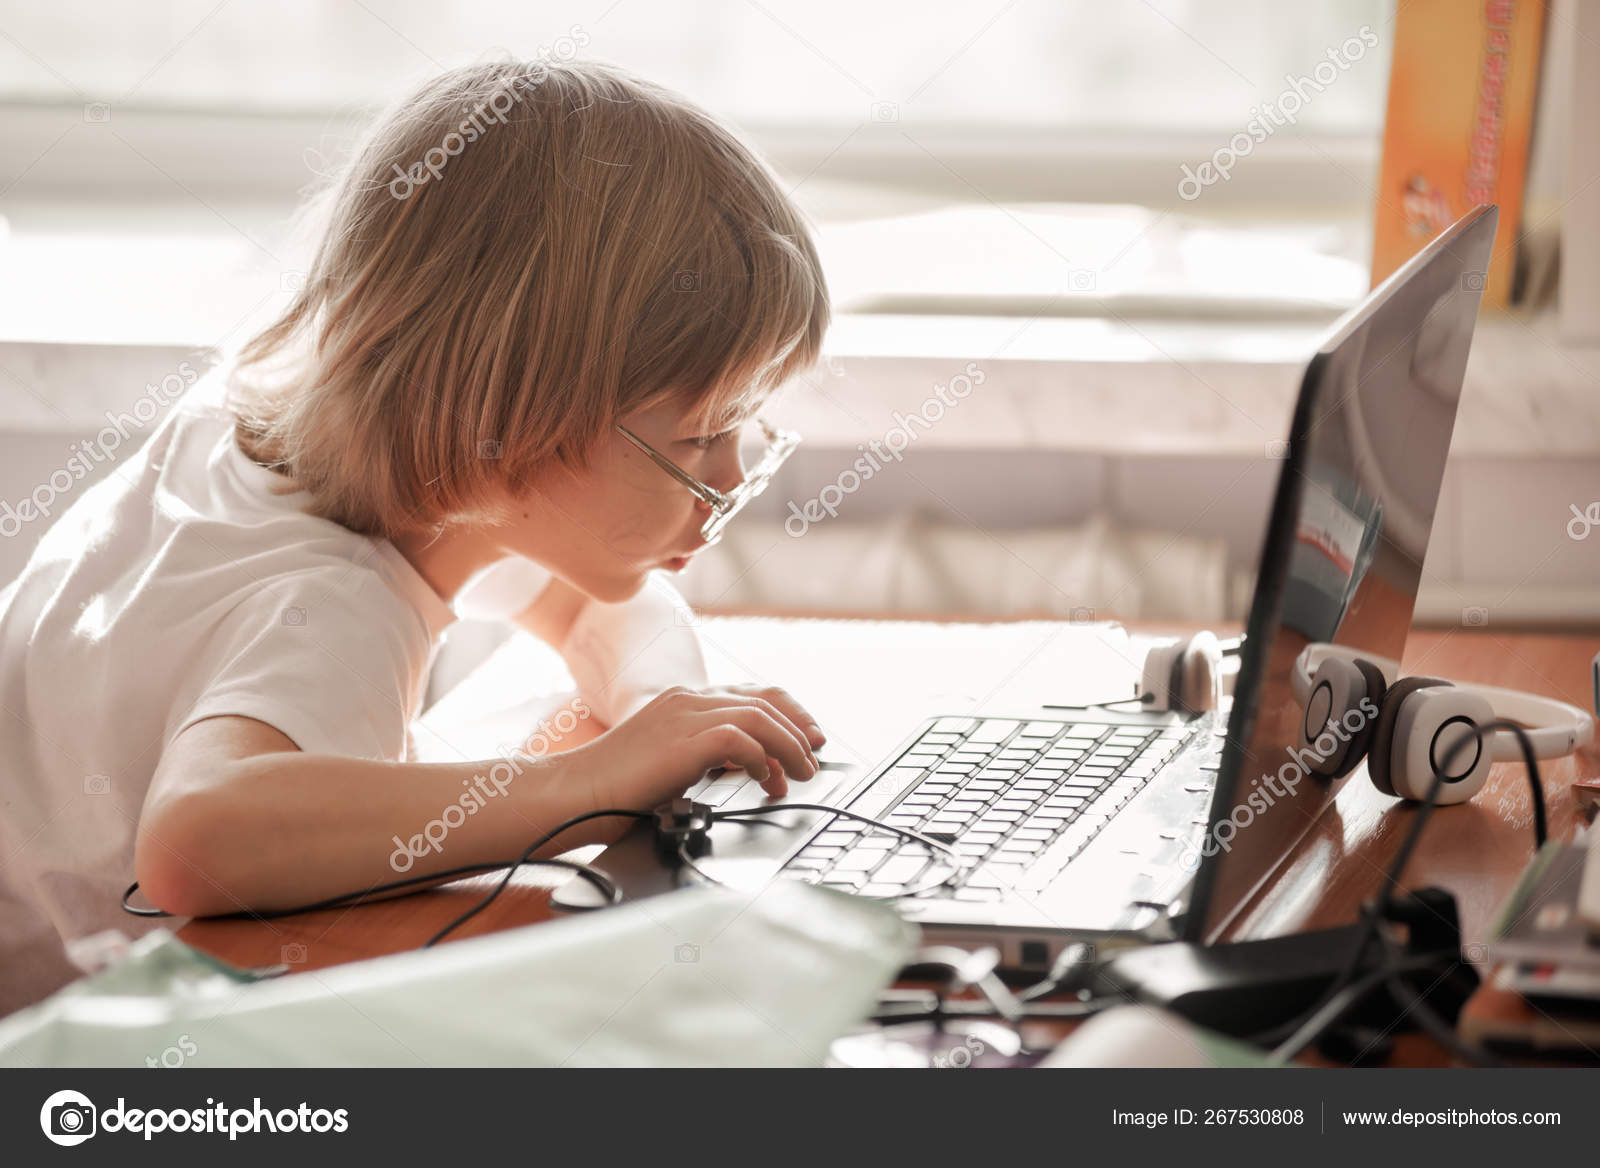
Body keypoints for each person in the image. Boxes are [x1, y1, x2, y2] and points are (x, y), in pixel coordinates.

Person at [0, 58, 830, 1015]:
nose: (727, 482)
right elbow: (196, 843)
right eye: (700, 437)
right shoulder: (339, 603)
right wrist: (588, 781)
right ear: (520, 420)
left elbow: (583, 599)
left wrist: (672, 710)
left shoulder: (277, 446)